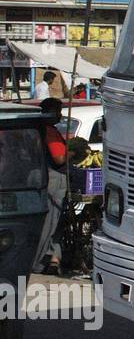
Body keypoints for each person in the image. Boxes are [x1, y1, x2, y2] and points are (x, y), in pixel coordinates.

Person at [37, 97, 68, 272]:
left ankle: (53, 259)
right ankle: (39, 262)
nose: (61, 116)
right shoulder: (49, 132)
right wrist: (73, 152)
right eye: (58, 111)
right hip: (53, 178)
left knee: (53, 222)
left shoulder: (39, 129)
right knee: (51, 223)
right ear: (49, 112)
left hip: (43, 178)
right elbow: (59, 158)